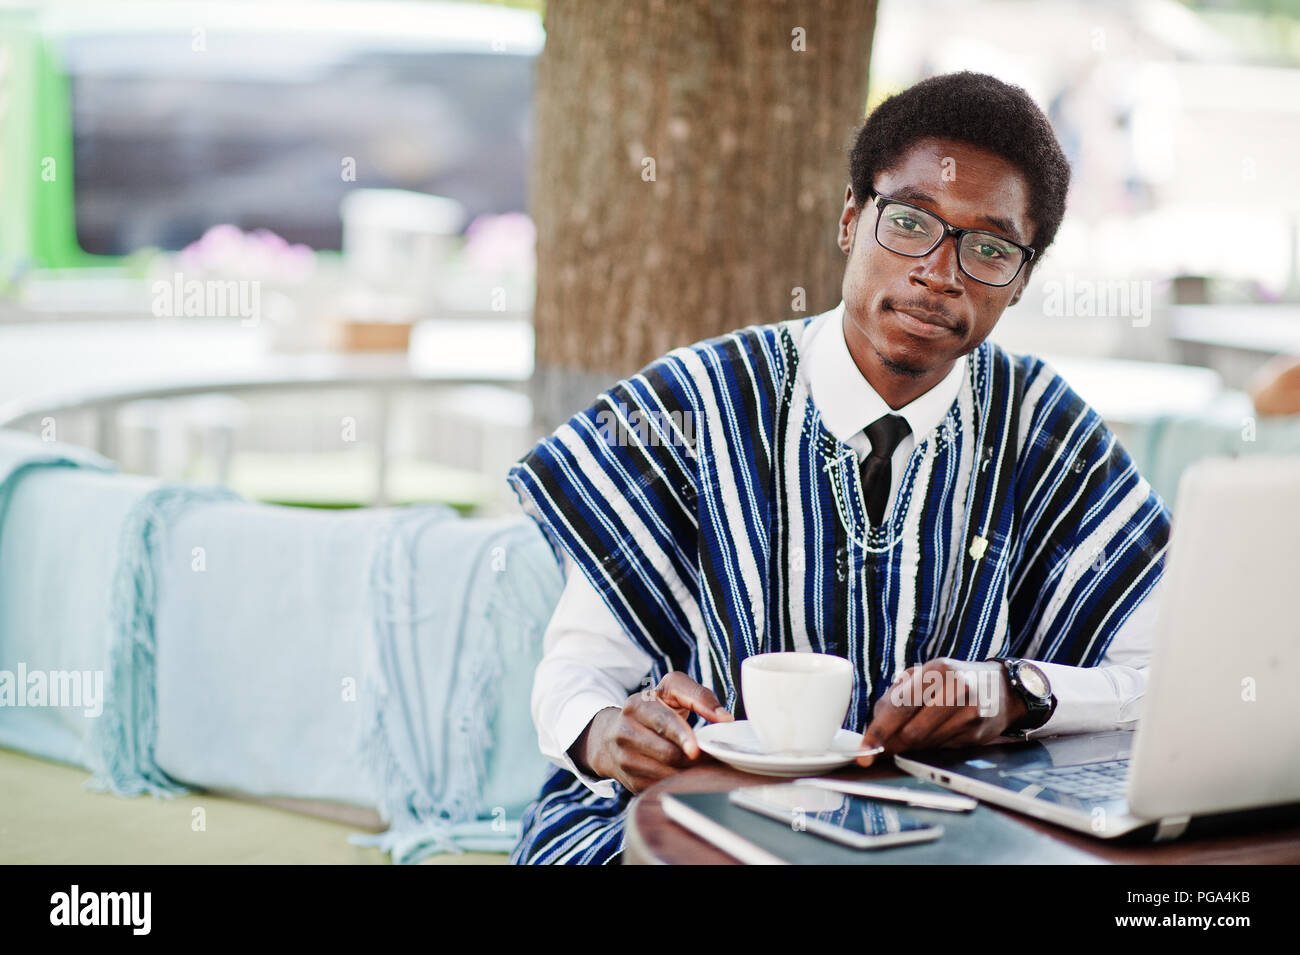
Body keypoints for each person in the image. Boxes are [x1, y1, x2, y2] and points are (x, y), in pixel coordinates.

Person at [506, 71, 1169, 864]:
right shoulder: (698, 400)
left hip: (943, 839)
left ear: (1021, 280)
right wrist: (603, 733)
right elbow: (576, 670)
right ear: (851, 219)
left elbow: (1162, 673)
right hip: (690, 825)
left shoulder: (1046, 430)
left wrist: (1014, 692)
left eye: (989, 247)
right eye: (913, 222)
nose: (939, 271)